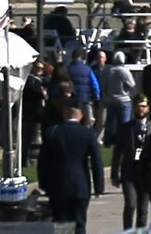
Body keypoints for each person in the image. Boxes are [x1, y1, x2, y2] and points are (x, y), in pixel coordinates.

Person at [40, 100, 103, 234]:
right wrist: (99, 186)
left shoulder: (52, 132)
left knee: (60, 223)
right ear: (80, 115)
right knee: (79, 223)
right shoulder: (88, 134)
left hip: (58, 185)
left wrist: (44, 183)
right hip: (80, 185)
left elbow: (43, 161)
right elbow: (96, 161)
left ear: (64, 114)